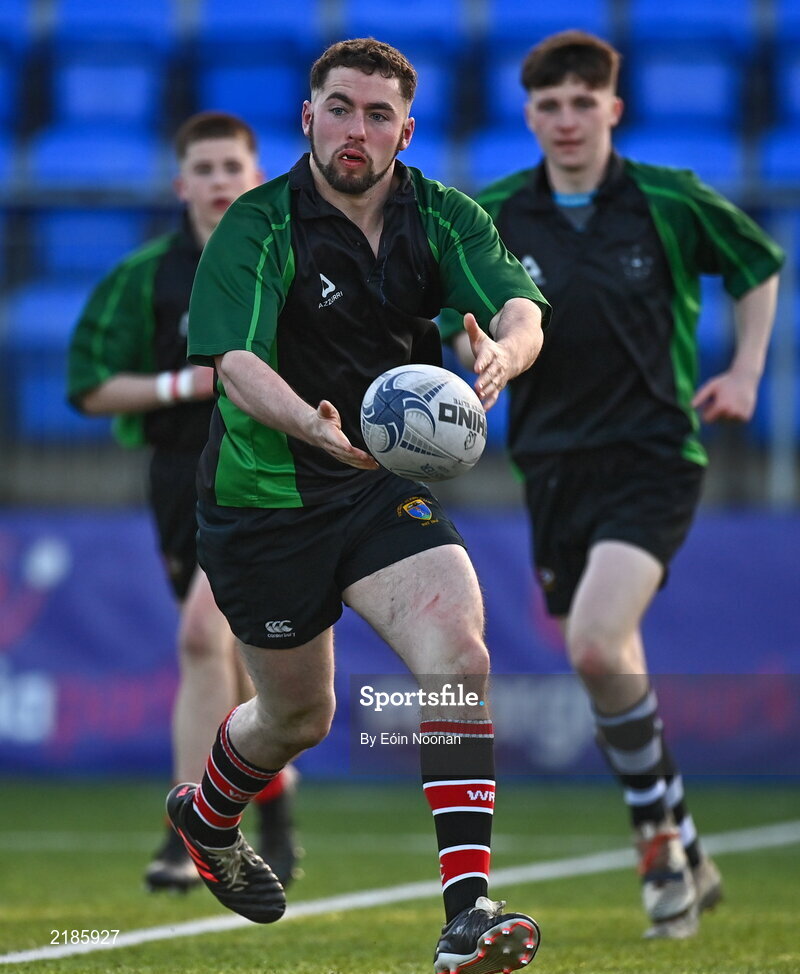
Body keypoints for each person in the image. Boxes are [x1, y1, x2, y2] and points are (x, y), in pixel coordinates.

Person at [166, 38, 549, 974]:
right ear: (308, 116)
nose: (357, 129)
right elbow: (237, 366)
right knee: (298, 717)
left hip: (377, 484)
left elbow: (522, 307)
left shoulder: (442, 215)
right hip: (264, 498)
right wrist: (312, 424)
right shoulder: (257, 225)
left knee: (458, 649)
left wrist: (505, 352)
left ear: (405, 131)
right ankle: (207, 814)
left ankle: (468, 910)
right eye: (341, 108)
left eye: (379, 116)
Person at [441, 30, 784, 939]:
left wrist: (749, 369)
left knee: (595, 644)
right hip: (551, 464)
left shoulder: (669, 199)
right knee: (605, 655)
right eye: (547, 106)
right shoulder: (497, 213)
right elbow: (455, 316)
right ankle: (680, 837)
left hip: (654, 453)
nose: (565, 120)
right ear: (528, 116)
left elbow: (759, 266)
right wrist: (471, 352)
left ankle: (655, 841)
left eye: (581, 103)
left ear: (613, 109)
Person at [67, 112, 302, 894]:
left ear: (255, 176)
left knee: (204, 637)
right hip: (180, 478)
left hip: (268, 476)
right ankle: (276, 814)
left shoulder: (288, 262)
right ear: (180, 184)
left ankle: (189, 834)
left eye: (232, 167)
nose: (218, 182)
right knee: (236, 668)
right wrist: (184, 384)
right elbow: (90, 384)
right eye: (202, 168)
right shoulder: (144, 278)